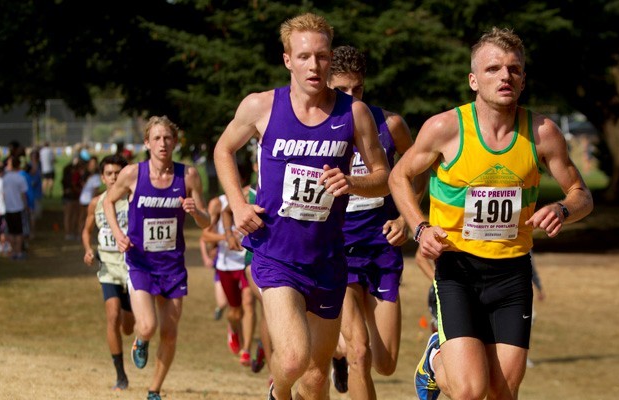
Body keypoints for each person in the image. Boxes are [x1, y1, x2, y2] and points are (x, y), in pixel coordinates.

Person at [388, 27, 594, 400]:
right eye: (493, 69)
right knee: (469, 390)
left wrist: (562, 209)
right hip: (457, 269)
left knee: (503, 391)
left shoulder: (543, 133)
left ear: (523, 79)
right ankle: (435, 359)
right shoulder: (445, 128)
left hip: (513, 272)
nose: (505, 77)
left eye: (514, 69)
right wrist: (419, 228)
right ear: (473, 79)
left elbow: (582, 194)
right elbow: (400, 175)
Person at [213, 13, 390, 400]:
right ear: (288, 60)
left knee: (316, 377)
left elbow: (383, 175)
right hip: (275, 252)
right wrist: (240, 205)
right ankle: (278, 392)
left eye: (322, 56)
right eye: (305, 56)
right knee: (294, 359)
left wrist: (353, 182)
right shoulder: (261, 107)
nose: (314, 65)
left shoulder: (354, 113)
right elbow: (223, 149)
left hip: (327, 259)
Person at [324, 45, 415, 398]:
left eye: (357, 89)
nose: (351, 97)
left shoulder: (390, 124)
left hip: (381, 247)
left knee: (385, 361)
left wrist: (408, 217)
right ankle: (341, 351)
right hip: (336, 249)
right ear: (328, 83)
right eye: (342, 89)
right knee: (359, 352)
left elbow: (419, 169)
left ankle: (337, 351)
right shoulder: (318, 129)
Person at [102, 115, 210, 400]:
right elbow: (107, 201)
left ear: (174, 142)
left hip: (173, 266)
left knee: (170, 333)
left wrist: (196, 212)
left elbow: (206, 221)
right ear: (147, 143)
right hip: (140, 263)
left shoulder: (188, 176)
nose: (162, 143)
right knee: (148, 325)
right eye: (157, 138)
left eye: (167, 138)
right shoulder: (132, 175)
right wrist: (117, 233)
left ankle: (154, 390)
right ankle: (141, 339)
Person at [82, 154, 136, 391]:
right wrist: (88, 249)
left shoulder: (133, 200)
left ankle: (135, 335)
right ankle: (121, 376)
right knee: (112, 317)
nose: (114, 177)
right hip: (108, 269)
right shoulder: (96, 202)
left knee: (128, 327)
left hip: (132, 269)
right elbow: (86, 230)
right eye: (109, 173)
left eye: (118, 173)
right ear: (102, 177)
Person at [201, 160, 261, 368]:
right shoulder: (217, 204)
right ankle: (233, 328)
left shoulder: (251, 196)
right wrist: (226, 237)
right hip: (226, 264)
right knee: (234, 311)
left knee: (249, 305)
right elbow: (206, 235)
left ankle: (246, 350)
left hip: (246, 262)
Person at [2, 156, 29, 260]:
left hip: (8, 208)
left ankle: (13, 252)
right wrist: (25, 206)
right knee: (19, 232)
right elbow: (23, 195)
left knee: (11, 232)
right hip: (18, 208)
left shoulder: (5, 178)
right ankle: (18, 252)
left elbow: (3, 194)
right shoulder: (20, 178)